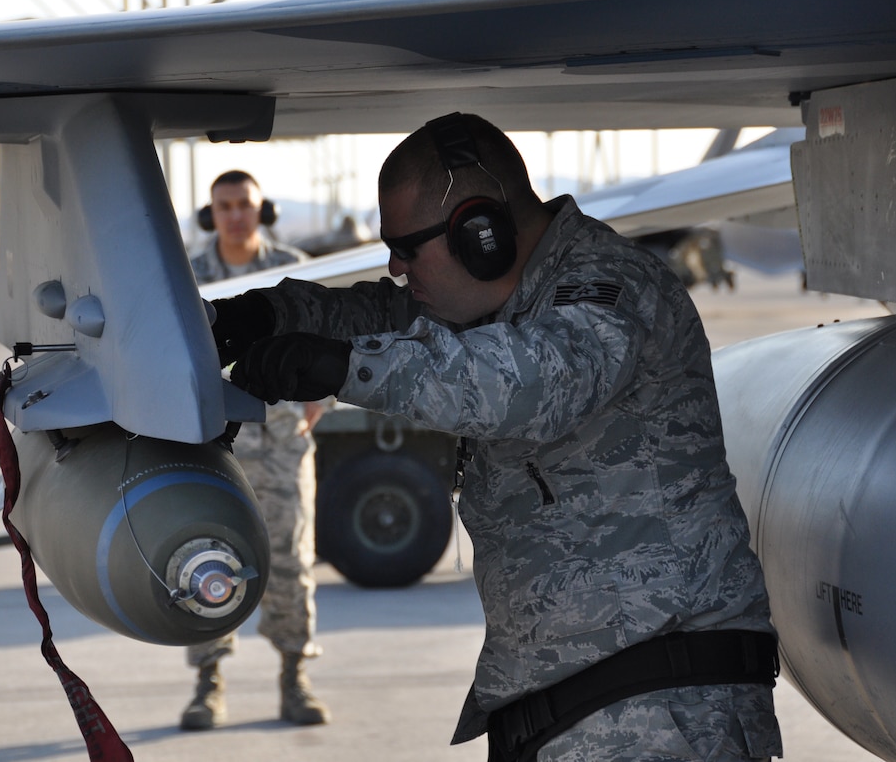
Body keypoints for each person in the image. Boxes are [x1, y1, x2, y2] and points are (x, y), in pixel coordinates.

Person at [207, 114, 783, 761]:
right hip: (581, 710)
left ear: (480, 234)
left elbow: (535, 380)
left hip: (661, 713)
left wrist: (343, 367)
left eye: (407, 248)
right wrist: (261, 316)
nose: (396, 267)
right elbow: (376, 312)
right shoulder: (493, 298)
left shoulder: (609, 286)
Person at [182, 169, 331, 731]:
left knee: (291, 558)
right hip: (210, 448)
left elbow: (330, 337)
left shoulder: (293, 269)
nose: (236, 215)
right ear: (211, 215)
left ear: (262, 210)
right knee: (202, 556)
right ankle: (208, 681)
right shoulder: (185, 277)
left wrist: (325, 394)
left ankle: (295, 676)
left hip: (283, 444)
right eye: (224, 206)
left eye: (244, 204)